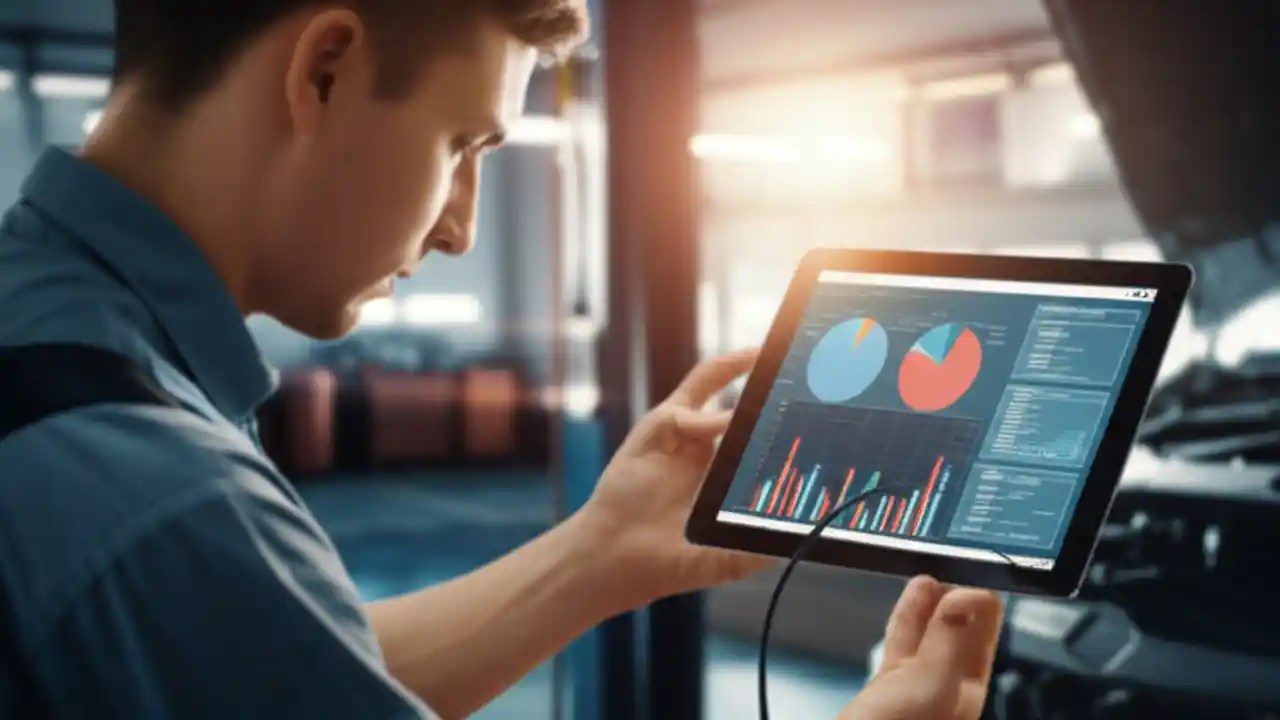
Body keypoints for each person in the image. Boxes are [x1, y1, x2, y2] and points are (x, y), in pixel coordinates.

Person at [0, 1, 1003, 717]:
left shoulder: (47, 329)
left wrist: (602, 552)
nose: (461, 229)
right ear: (324, 71)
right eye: (463, 144)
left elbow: (262, 667)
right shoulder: (154, 487)